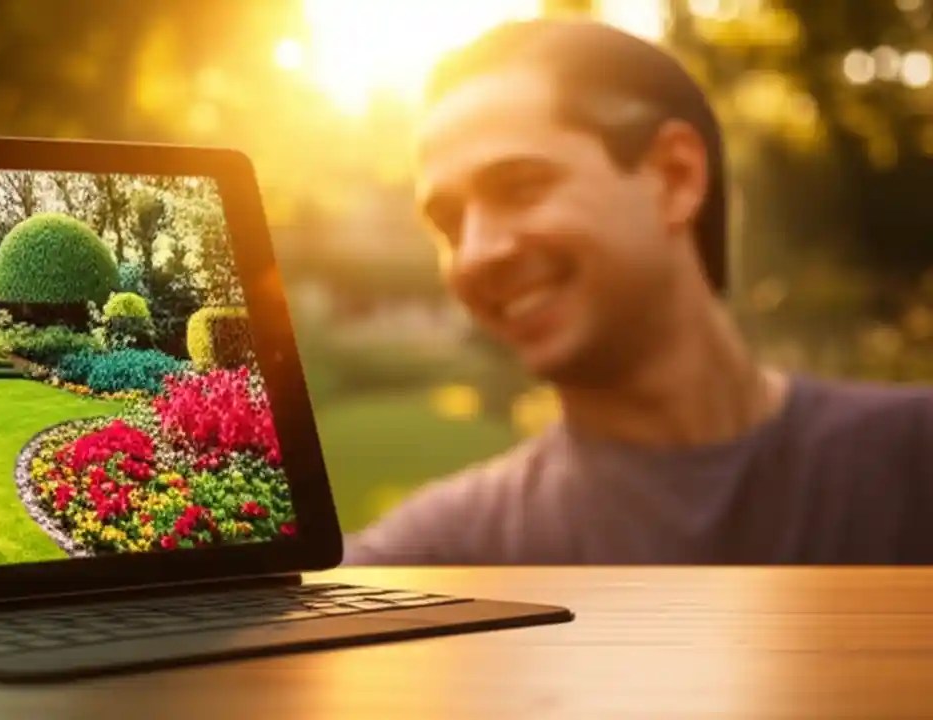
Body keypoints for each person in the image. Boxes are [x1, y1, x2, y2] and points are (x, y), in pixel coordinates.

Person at [341, 18, 933, 565]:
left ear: (675, 179)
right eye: (449, 226)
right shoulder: (450, 552)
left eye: (520, 187)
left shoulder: (911, 461)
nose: (476, 253)